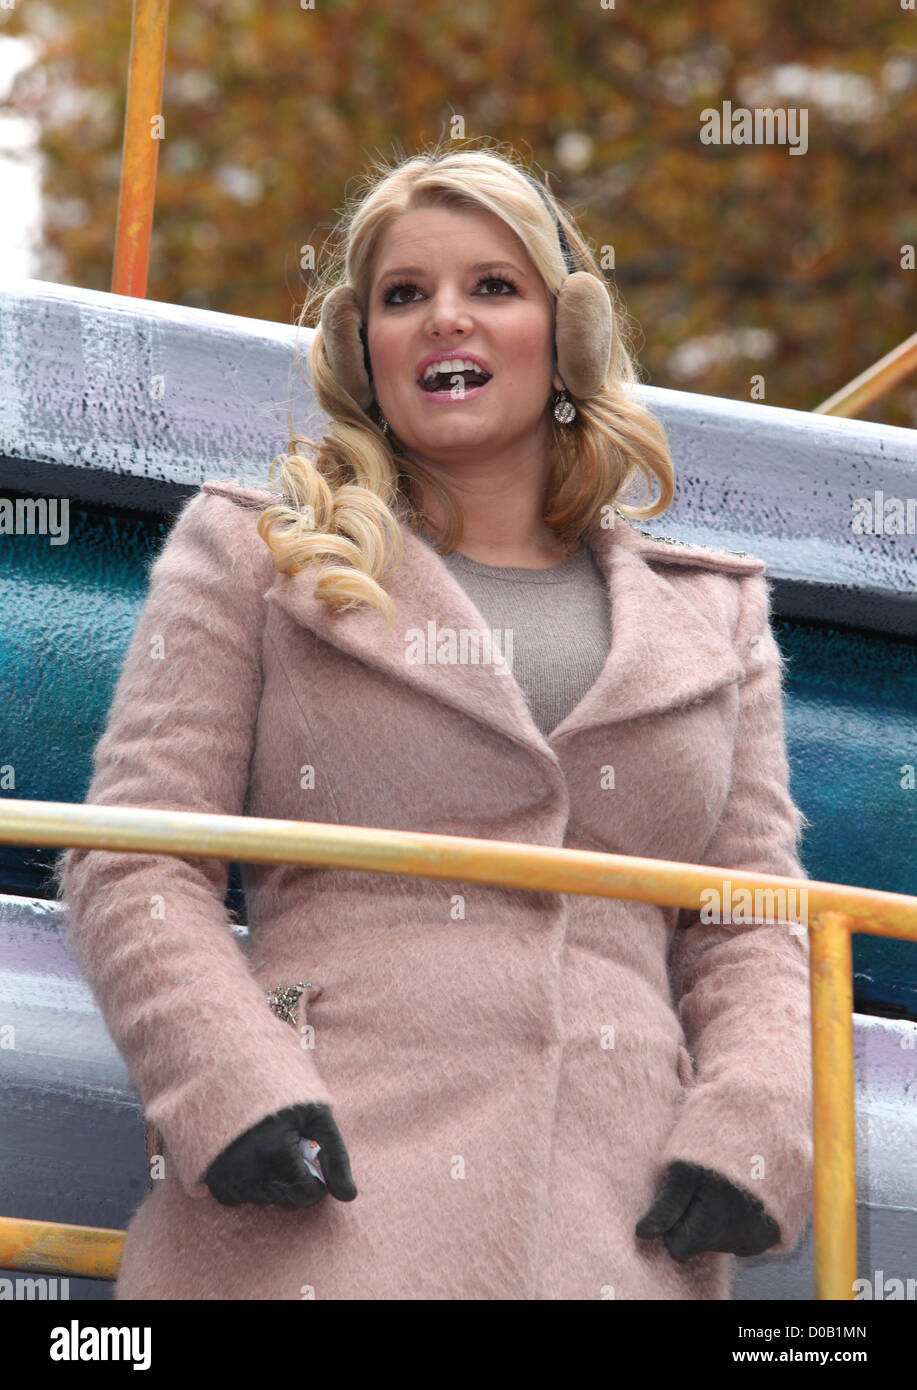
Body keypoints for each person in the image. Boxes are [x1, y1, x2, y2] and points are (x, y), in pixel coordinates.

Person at [52, 140, 813, 1300]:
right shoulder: (249, 550)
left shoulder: (715, 611)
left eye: (490, 289)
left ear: (566, 337)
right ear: (366, 345)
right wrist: (230, 1087)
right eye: (404, 296)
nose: (443, 320)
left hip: (619, 1239)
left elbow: (750, 922)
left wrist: (749, 1130)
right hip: (312, 1219)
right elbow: (137, 854)